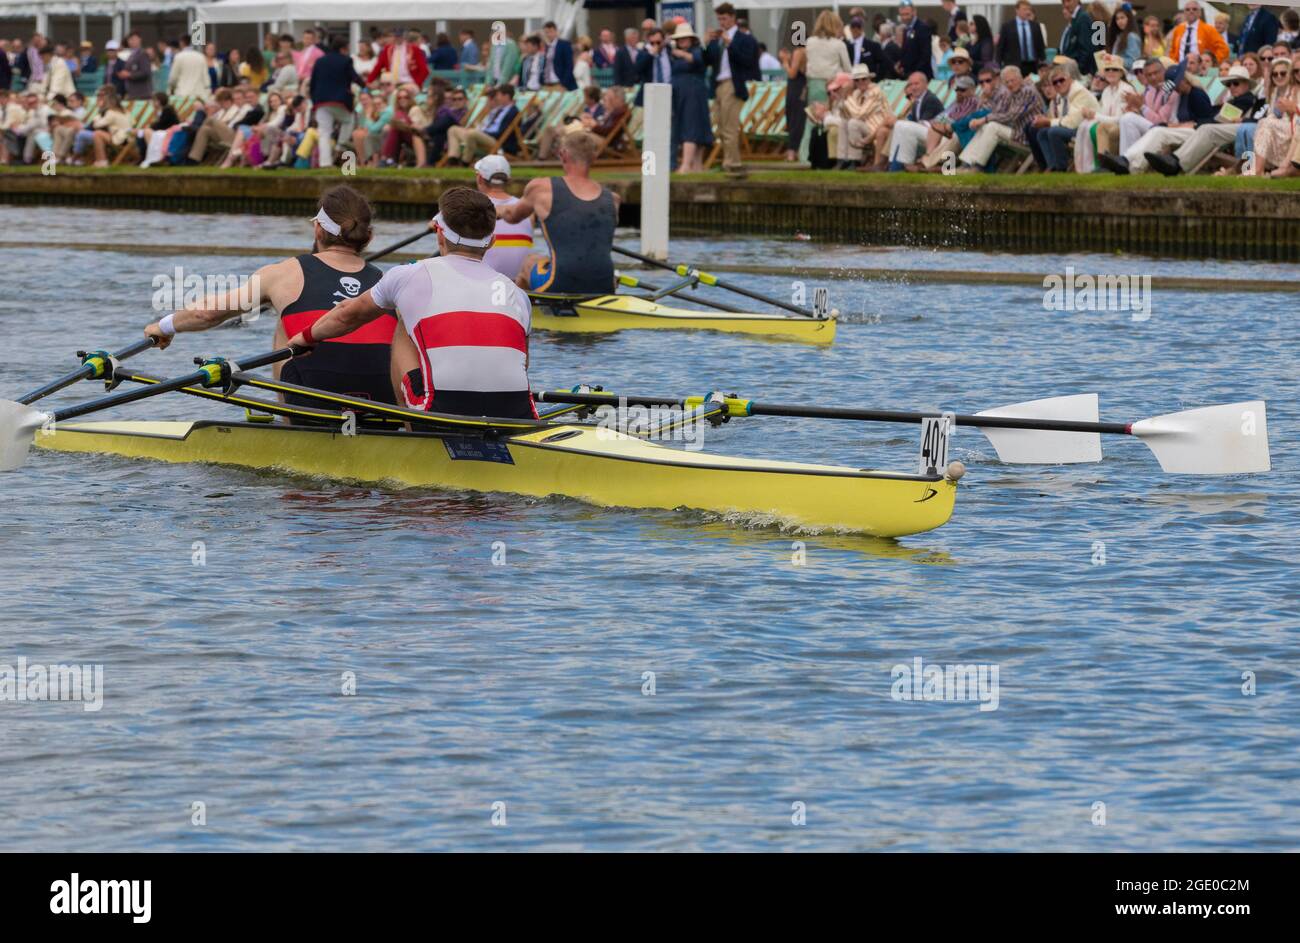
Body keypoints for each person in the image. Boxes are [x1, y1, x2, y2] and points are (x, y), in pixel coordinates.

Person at [288, 188, 534, 420]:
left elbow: (346, 316)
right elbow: (523, 364)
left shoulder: (407, 275)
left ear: (439, 234)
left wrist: (306, 337)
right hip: (516, 414)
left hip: (441, 411)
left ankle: (407, 423)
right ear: (491, 241)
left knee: (405, 317)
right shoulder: (517, 294)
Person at [146, 186, 397, 414]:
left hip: (313, 392)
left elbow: (207, 313)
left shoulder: (283, 273)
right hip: (383, 396)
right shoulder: (388, 280)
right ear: (369, 237)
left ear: (318, 229)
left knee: (284, 324)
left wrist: (163, 326)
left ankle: (287, 421)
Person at [499, 130, 618, 295]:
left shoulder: (542, 188)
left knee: (530, 260)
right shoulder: (613, 199)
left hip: (559, 282)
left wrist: (497, 210)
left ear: (563, 154)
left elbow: (512, 217)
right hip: (605, 283)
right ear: (594, 158)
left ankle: (522, 312)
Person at [1146, 65, 1264, 175]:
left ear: (1247, 85)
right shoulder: (1234, 101)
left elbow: (1220, 120)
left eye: (1236, 83)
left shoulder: (1245, 99)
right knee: (1204, 129)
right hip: (1227, 129)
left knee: (1206, 129)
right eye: (1229, 84)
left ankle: (1175, 162)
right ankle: (1174, 161)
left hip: (1235, 130)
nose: (1232, 87)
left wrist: (1194, 124)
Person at [1098, 58, 1179, 173]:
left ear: (1163, 71)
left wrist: (1141, 107)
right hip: (1153, 130)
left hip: (1167, 130)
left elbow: (1161, 122)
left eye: (1156, 73)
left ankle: (1125, 161)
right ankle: (1125, 164)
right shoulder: (1149, 90)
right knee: (1128, 117)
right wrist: (1136, 110)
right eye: (1149, 75)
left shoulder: (1171, 91)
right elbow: (1146, 116)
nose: (1153, 77)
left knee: (1128, 118)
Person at [707, 3, 760, 176]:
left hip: (733, 83)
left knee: (729, 126)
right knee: (721, 125)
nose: (722, 22)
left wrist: (731, 45)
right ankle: (728, 161)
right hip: (718, 84)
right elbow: (708, 60)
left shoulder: (745, 39)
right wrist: (708, 43)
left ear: (733, 18)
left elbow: (748, 61)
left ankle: (732, 162)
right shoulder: (718, 39)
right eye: (719, 19)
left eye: (724, 18)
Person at [957, 64, 1043, 170]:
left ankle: (977, 167)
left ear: (1020, 78)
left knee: (992, 126)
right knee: (986, 126)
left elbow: (1012, 116)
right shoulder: (1013, 93)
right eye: (1007, 82)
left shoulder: (1027, 91)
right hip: (1016, 132)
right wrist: (984, 104)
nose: (1010, 84)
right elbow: (998, 113)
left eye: (1013, 80)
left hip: (1027, 136)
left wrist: (985, 119)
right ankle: (967, 163)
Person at [471, 154, 536, 280]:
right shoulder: (527, 210)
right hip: (518, 283)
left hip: (486, 282)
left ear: (479, 178)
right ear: (509, 180)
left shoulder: (471, 207)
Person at [1029, 64, 1099, 170]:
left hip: (1088, 129)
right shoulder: (1063, 94)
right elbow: (1064, 120)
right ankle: (1052, 167)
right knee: (1041, 132)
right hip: (1077, 128)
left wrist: (1048, 122)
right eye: (1055, 82)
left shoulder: (1079, 92)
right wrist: (1045, 121)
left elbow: (1072, 122)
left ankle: (1061, 168)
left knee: (1053, 132)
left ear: (1069, 78)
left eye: (1061, 80)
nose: (1059, 84)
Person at [802, 11, 852, 160]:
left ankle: (805, 154)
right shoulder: (839, 45)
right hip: (833, 84)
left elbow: (808, 64)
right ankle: (829, 154)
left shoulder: (809, 42)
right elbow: (848, 69)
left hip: (813, 83)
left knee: (812, 119)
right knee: (832, 117)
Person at [310, 35, 364, 169]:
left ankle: (325, 163)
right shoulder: (346, 60)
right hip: (340, 100)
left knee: (324, 132)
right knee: (349, 120)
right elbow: (354, 77)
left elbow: (312, 83)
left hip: (320, 100)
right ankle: (341, 147)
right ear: (343, 49)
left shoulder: (320, 61)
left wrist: (314, 100)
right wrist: (365, 85)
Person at [875, 70, 943, 171]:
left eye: (916, 84)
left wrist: (898, 122)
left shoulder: (930, 99)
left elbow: (924, 124)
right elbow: (910, 121)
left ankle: (896, 165)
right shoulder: (917, 101)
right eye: (911, 84)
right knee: (899, 127)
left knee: (901, 126)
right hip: (922, 134)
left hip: (934, 136)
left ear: (925, 84)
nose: (913, 87)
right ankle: (892, 165)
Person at [667, 22, 712, 173]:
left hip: (693, 93)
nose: (682, 41)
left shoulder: (697, 51)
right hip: (680, 95)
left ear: (692, 39)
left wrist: (683, 55)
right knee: (689, 126)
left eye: (685, 38)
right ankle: (696, 166)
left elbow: (698, 61)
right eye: (679, 39)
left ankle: (686, 165)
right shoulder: (674, 56)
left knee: (691, 127)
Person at [824, 63, 888, 168]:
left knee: (853, 123)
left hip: (877, 129)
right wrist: (842, 99)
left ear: (869, 79)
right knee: (844, 122)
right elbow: (845, 116)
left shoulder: (875, 92)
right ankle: (843, 159)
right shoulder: (857, 93)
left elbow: (859, 114)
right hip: (865, 128)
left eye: (863, 79)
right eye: (857, 80)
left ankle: (854, 160)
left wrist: (847, 97)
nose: (860, 82)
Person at [446, 84, 519, 165]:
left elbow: (501, 132)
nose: (497, 98)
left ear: (506, 96)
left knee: (472, 133)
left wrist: (482, 132)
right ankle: (453, 159)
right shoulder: (498, 109)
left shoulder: (513, 112)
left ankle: (465, 162)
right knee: (453, 129)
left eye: (499, 95)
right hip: (483, 135)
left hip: (496, 140)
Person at [1169, 1, 1229, 66]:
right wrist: (1173, 63)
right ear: (1184, 13)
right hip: (1179, 68)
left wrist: (1212, 62)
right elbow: (1173, 50)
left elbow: (1224, 49)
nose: (1191, 11)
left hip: (1199, 69)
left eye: (1194, 9)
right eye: (1187, 9)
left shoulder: (1209, 29)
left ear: (1199, 13)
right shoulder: (1178, 29)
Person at [998, 1, 1046, 75]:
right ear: (1017, 10)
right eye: (1024, 9)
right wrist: (999, 65)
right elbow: (1000, 47)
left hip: (1032, 65)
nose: (1027, 12)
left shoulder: (1035, 26)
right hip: (1013, 65)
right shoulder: (1007, 26)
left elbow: (1040, 46)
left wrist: (1042, 62)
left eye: (1029, 9)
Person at [1058, 0, 1101, 76]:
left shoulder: (1082, 18)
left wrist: (1078, 72)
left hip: (1081, 71)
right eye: (1063, 2)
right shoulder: (1075, 19)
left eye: (1068, 1)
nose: (1066, 4)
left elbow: (1085, 50)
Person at [896, 1, 933, 79]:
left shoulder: (922, 28)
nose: (904, 17)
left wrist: (915, 72)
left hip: (921, 76)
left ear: (914, 12)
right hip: (908, 75)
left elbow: (926, 54)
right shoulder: (906, 29)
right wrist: (901, 65)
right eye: (902, 15)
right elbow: (906, 51)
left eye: (907, 14)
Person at [168, 34, 210, 99]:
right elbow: (206, 77)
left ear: (181, 43)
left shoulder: (179, 57)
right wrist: (207, 92)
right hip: (199, 95)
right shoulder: (201, 56)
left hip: (183, 94)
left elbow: (173, 78)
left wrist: (171, 89)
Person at [540, 21, 577, 90]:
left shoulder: (564, 45)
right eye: (546, 32)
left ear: (556, 31)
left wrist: (563, 83)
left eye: (551, 31)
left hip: (559, 83)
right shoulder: (546, 47)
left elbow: (569, 65)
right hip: (547, 83)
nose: (548, 34)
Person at [117, 32, 152, 100]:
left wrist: (129, 74)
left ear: (140, 39)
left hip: (142, 94)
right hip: (133, 93)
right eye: (130, 39)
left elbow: (145, 72)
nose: (131, 41)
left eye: (134, 39)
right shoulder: (132, 54)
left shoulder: (142, 54)